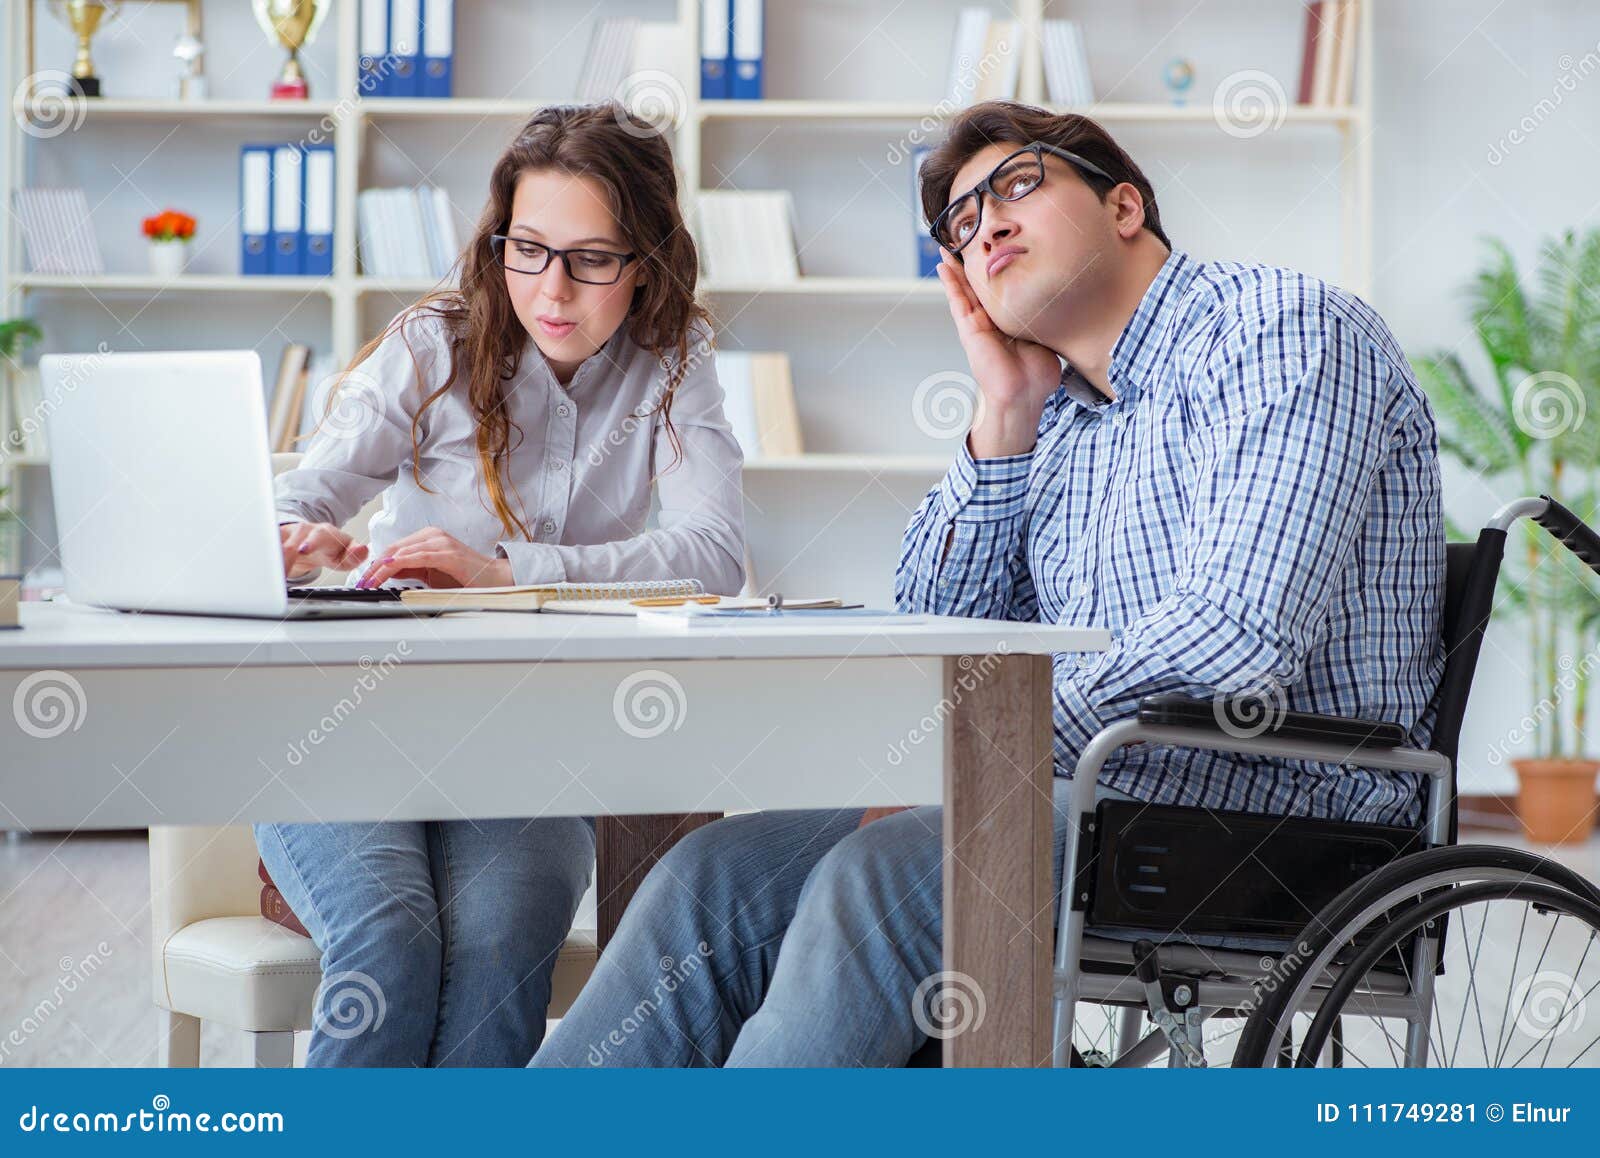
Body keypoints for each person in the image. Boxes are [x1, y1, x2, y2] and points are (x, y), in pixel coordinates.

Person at [528, 99, 1446, 1068]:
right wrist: (1002, 417)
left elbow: (1235, 636)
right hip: (1095, 793)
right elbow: (938, 635)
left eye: (1016, 186)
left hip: (1284, 817)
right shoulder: (1059, 415)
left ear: (1124, 207)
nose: (986, 226)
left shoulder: (1280, 333)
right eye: (960, 225)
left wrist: (975, 756)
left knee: (883, 876)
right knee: (711, 879)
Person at [256, 103, 745, 1067]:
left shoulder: (672, 361)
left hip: (530, 748)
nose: (551, 289)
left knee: (497, 949)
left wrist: (509, 574)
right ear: (500, 240)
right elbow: (301, 494)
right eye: (528, 250)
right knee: (391, 941)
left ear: (645, 261)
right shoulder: (431, 344)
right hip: (358, 727)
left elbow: (715, 553)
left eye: (591, 259)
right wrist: (290, 537)